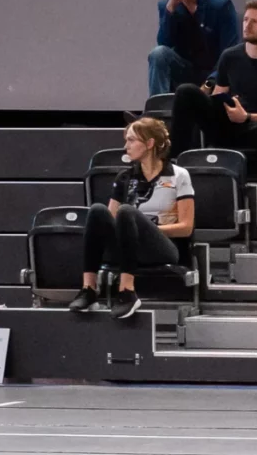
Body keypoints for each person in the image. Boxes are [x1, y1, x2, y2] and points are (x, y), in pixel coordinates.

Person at [171, 1, 257, 217]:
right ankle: (173, 165)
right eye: (246, 20)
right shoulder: (230, 56)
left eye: (254, 22)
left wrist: (247, 116)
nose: (247, 25)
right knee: (186, 91)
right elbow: (220, 92)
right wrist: (222, 103)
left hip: (255, 127)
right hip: (227, 122)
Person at [67, 118, 196, 321]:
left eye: (131, 140)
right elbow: (109, 222)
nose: (126, 146)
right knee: (97, 211)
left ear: (150, 143)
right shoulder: (124, 178)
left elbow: (186, 228)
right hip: (128, 246)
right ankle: (89, 288)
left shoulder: (179, 175)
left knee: (127, 212)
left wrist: (145, 229)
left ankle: (127, 290)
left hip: (164, 248)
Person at [149, 0, 240, 96]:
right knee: (158, 53)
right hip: (184, 69)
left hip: (213, 72)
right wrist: (170, 10)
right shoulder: (166, 6)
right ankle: (158, 112)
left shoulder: (220, 5)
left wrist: (210, 82)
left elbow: (230, 53)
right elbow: (164, 43)